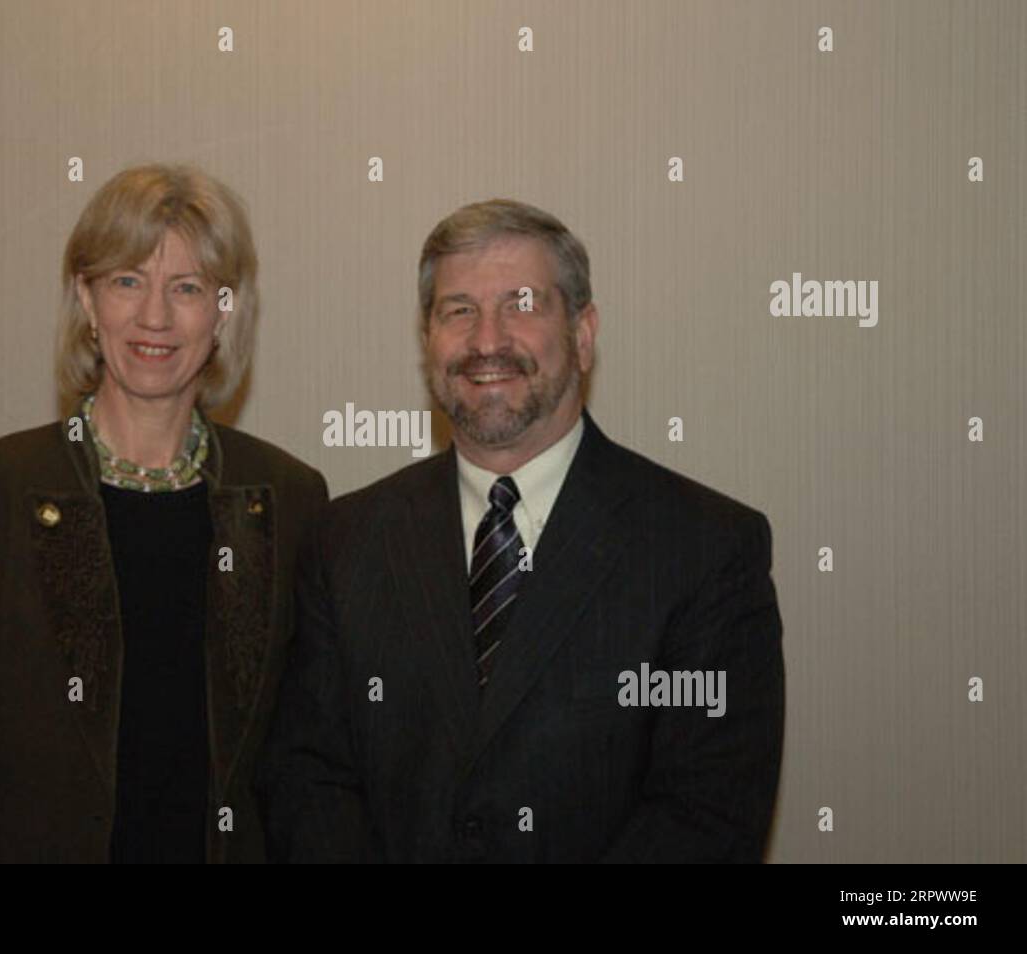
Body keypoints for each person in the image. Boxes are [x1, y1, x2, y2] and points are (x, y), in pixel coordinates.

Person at [257, 198, 784, 862]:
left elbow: (708, 814)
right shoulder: (345, 541)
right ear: (428, 341)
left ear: (583, 334)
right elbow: (309, 780)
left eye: (523, 304)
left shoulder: (704, 549)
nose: (487, 341)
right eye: (459, 311)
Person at [0, 163, 328, 863]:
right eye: (127, 280)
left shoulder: (290, 498)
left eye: (186, 288)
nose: (154, 316)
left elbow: (303, 770)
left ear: (224, 311)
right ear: (86, 299)